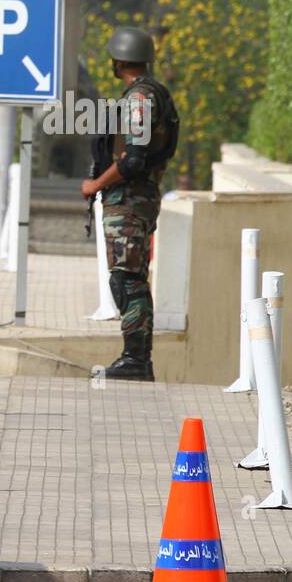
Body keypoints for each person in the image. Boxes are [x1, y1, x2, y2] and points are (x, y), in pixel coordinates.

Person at [81, 28, 179, 382]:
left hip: (130, 202)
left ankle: (136, 360)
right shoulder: (155, 95)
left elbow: (134, 159)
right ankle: (136, 357)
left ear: (120, 60)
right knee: (132, 277)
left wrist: (95, 184)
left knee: (127, 280)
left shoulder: (139, 99)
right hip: (140, 198)